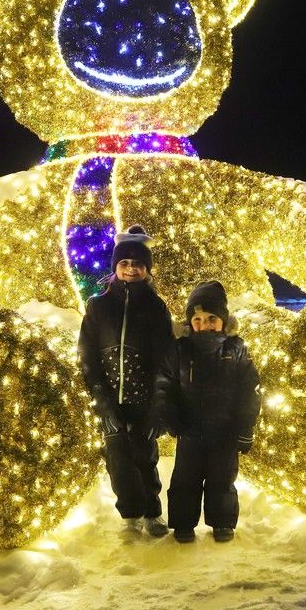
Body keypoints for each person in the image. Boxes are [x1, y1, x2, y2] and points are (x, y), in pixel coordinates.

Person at [78, 225, 174, 537]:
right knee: (118, 461)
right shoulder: (98, 305)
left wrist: (159, 404)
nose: (131, 268)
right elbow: (87, 354)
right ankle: (130, 516)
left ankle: (152, 513)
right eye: (125, 263)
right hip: (110, 397)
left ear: (147, 269)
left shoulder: (156, 307)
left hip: (143, 399)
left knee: (145, 457)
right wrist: (100, 398)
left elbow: (166, 359)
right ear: (116, 266)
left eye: (138, 264)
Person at [155, 281, 261, 543]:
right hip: (190, 431)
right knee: (185, 481)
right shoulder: (180, 349)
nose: (204, 325)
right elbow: (164, 385)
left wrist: (245, 427)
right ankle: (183, 524)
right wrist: (171, 418)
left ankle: (222, 522)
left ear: (223, 320)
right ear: (190, 322)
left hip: (225, 432)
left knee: (222, 480)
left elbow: (249, 391)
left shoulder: (235, 349)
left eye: (212, 319)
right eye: (198, 320)